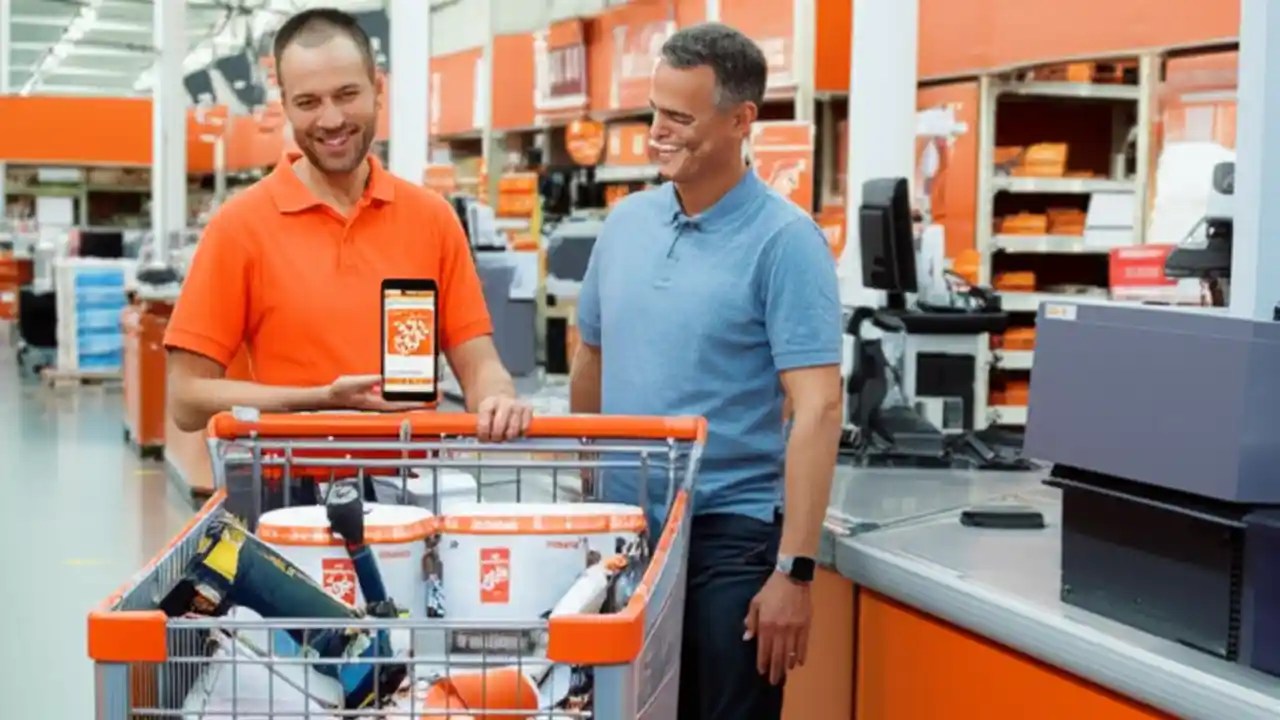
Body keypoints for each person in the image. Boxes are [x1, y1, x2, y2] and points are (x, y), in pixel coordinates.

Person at [570, 22, 844, 720]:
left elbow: (817, 408)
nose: (657, 132)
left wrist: (794, 572)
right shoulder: (625, 225)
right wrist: (585, 493)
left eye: (680, 118)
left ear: (741, 119)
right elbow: (591, 354)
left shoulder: (786, 242)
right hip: (625, 532)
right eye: (654, 112)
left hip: (728, 533)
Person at [165, 9, 530, 447]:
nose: (332, 119)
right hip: (287, 495)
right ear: (286, 106)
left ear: (378, 90)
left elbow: (478, 361)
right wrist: (317, 400)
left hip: (410, 491)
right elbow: (185, 398)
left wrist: (498, 397)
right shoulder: (239, 226)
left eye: (346, 94)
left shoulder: (431, 218)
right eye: (309, 102)